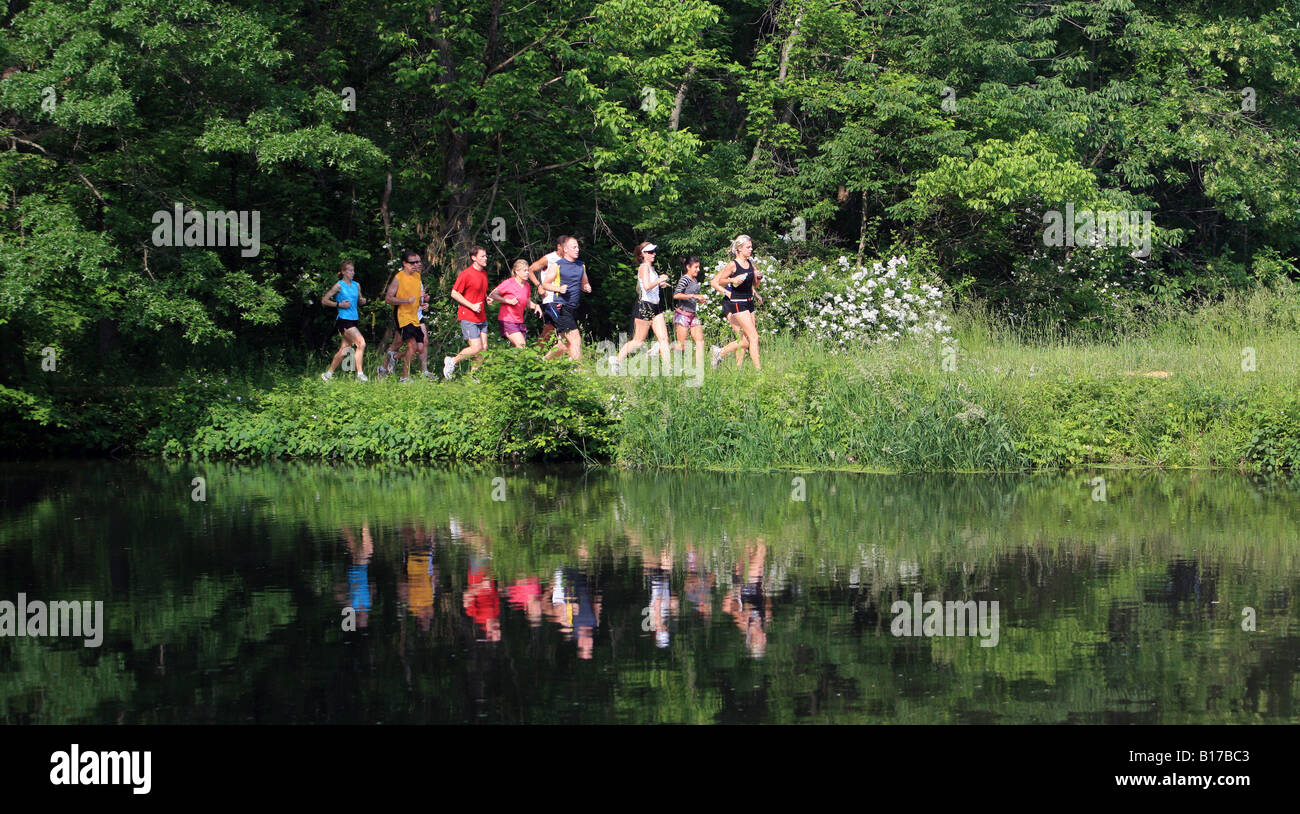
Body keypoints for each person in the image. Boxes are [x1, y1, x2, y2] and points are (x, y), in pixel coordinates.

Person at [610, 242, 670, 374]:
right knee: (638, 341)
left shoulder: (652, 268)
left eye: (654, 251)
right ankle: (617, 361)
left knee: (664, 338)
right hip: (645, 306)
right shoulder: (643, 267)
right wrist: (660, 280)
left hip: (656, 306)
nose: (653, 254)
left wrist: (661, 284)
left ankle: (668, 369)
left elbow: (650, 286)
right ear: (643, 254)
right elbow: (647, 286)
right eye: (650, 252)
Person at [709, 234, 763, 370]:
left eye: (751, 247)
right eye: (748, 247)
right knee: (753, 337)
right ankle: (758, 371)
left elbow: (754, 285)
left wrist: (759, 278)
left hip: (749, 302)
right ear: (739, 248)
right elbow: (719, 281)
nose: (751, 249)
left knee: (747, 340)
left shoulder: (751, 263)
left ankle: (724, 357)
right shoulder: (732, 264)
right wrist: (732, 282)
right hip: (735, 302)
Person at [443, 245, 491, 379]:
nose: (485, 258)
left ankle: (473, 376)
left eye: (486, 256)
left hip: (481, 316)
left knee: (484, 348)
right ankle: (452, 362)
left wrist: (486, 298)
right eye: (482, 256)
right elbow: (454, 293)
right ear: (473, 258)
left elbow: (480, 291)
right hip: (468, 315)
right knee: (476, 348)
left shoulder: (484, 273)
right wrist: (472, 306)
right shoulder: (466, 274)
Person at [545, 236, 593, 361]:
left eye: (578, 247)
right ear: (565, 249)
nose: (577, 249)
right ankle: (578, 371)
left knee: (563, 345)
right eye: (574, 247)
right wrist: (558, 289)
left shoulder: (580, 266)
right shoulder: (557, 265)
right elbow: (545, 284)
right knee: (576, 339)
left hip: (574, 307)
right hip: (561, 306)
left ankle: (543, 361)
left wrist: (587, 287)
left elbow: (584, 283)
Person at [321, 260, 369, 382]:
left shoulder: (356, 285)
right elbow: (324, 300)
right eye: (350, 270)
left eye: (353, 270)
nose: (353, 272)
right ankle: (360, 375)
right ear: (343, 272)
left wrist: (362, 301)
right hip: (343, 320)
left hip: (354, 319)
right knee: (361, 343)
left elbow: (359, 299)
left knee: (344, 350)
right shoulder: (338, 285)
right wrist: (339, 304)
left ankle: (327, 375)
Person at [383, 249, 426, 382]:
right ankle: (404, 378)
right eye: (412, 263)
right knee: (412, 346)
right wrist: (405, 300)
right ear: (404, 264)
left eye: (416, 262)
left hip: (414, 316)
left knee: (420, 347)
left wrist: (422, 304)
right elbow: (388, 299)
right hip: (402, 316)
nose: (415, 265)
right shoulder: (398, 278)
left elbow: (417, 297)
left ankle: (394, 357)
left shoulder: (417, 276)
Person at [488, 259, 543, 348]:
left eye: (528, 270)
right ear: (517, 272)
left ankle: (508, 362)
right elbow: (493, 295)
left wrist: (536, 306)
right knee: (521, 345)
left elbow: (527, 302)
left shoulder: (527, 285)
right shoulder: (509, 283)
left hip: (519, 321)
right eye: (524, 271)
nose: (527, 273)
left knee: (517, 351)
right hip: (507, 320)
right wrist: (508, 301)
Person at [527, 236, 568, 348]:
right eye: (565, 247)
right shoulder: (549, 258)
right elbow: (530, 270)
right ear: (559, 246)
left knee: (549, 330)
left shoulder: (568, 260)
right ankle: (571, 359)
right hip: (551, 299)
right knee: (566, 330)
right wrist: (539, 286)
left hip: (562, 299)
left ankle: (535, 356)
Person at [670, 256, 709, 372]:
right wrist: (693, 296)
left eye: (699, 267)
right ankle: (662, 348)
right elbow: (676, 295)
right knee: (681, 346)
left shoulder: (695, 281)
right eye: (696, 267)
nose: (698, 270)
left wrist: (699, 299)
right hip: (682, 315)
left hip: (693, 315)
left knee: (700, 341)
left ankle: (698, 369)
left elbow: (692, 297)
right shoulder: (685, 279)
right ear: (688, 267)